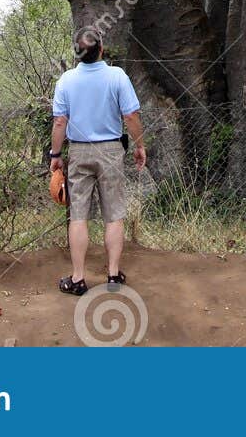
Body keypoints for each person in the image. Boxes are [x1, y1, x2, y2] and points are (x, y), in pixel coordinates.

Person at [49, 29, 147, 295]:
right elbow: (131, 115)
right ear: (101, 49)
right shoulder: (117, 76)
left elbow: (60, 122)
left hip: (79, 152)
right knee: (114, 215)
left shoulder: (66, 80)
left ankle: (78, 279)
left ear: (77, 53)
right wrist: (139, 145)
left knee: (78, 215)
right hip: (111, 151)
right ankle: (113, 276)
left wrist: (55, 155)